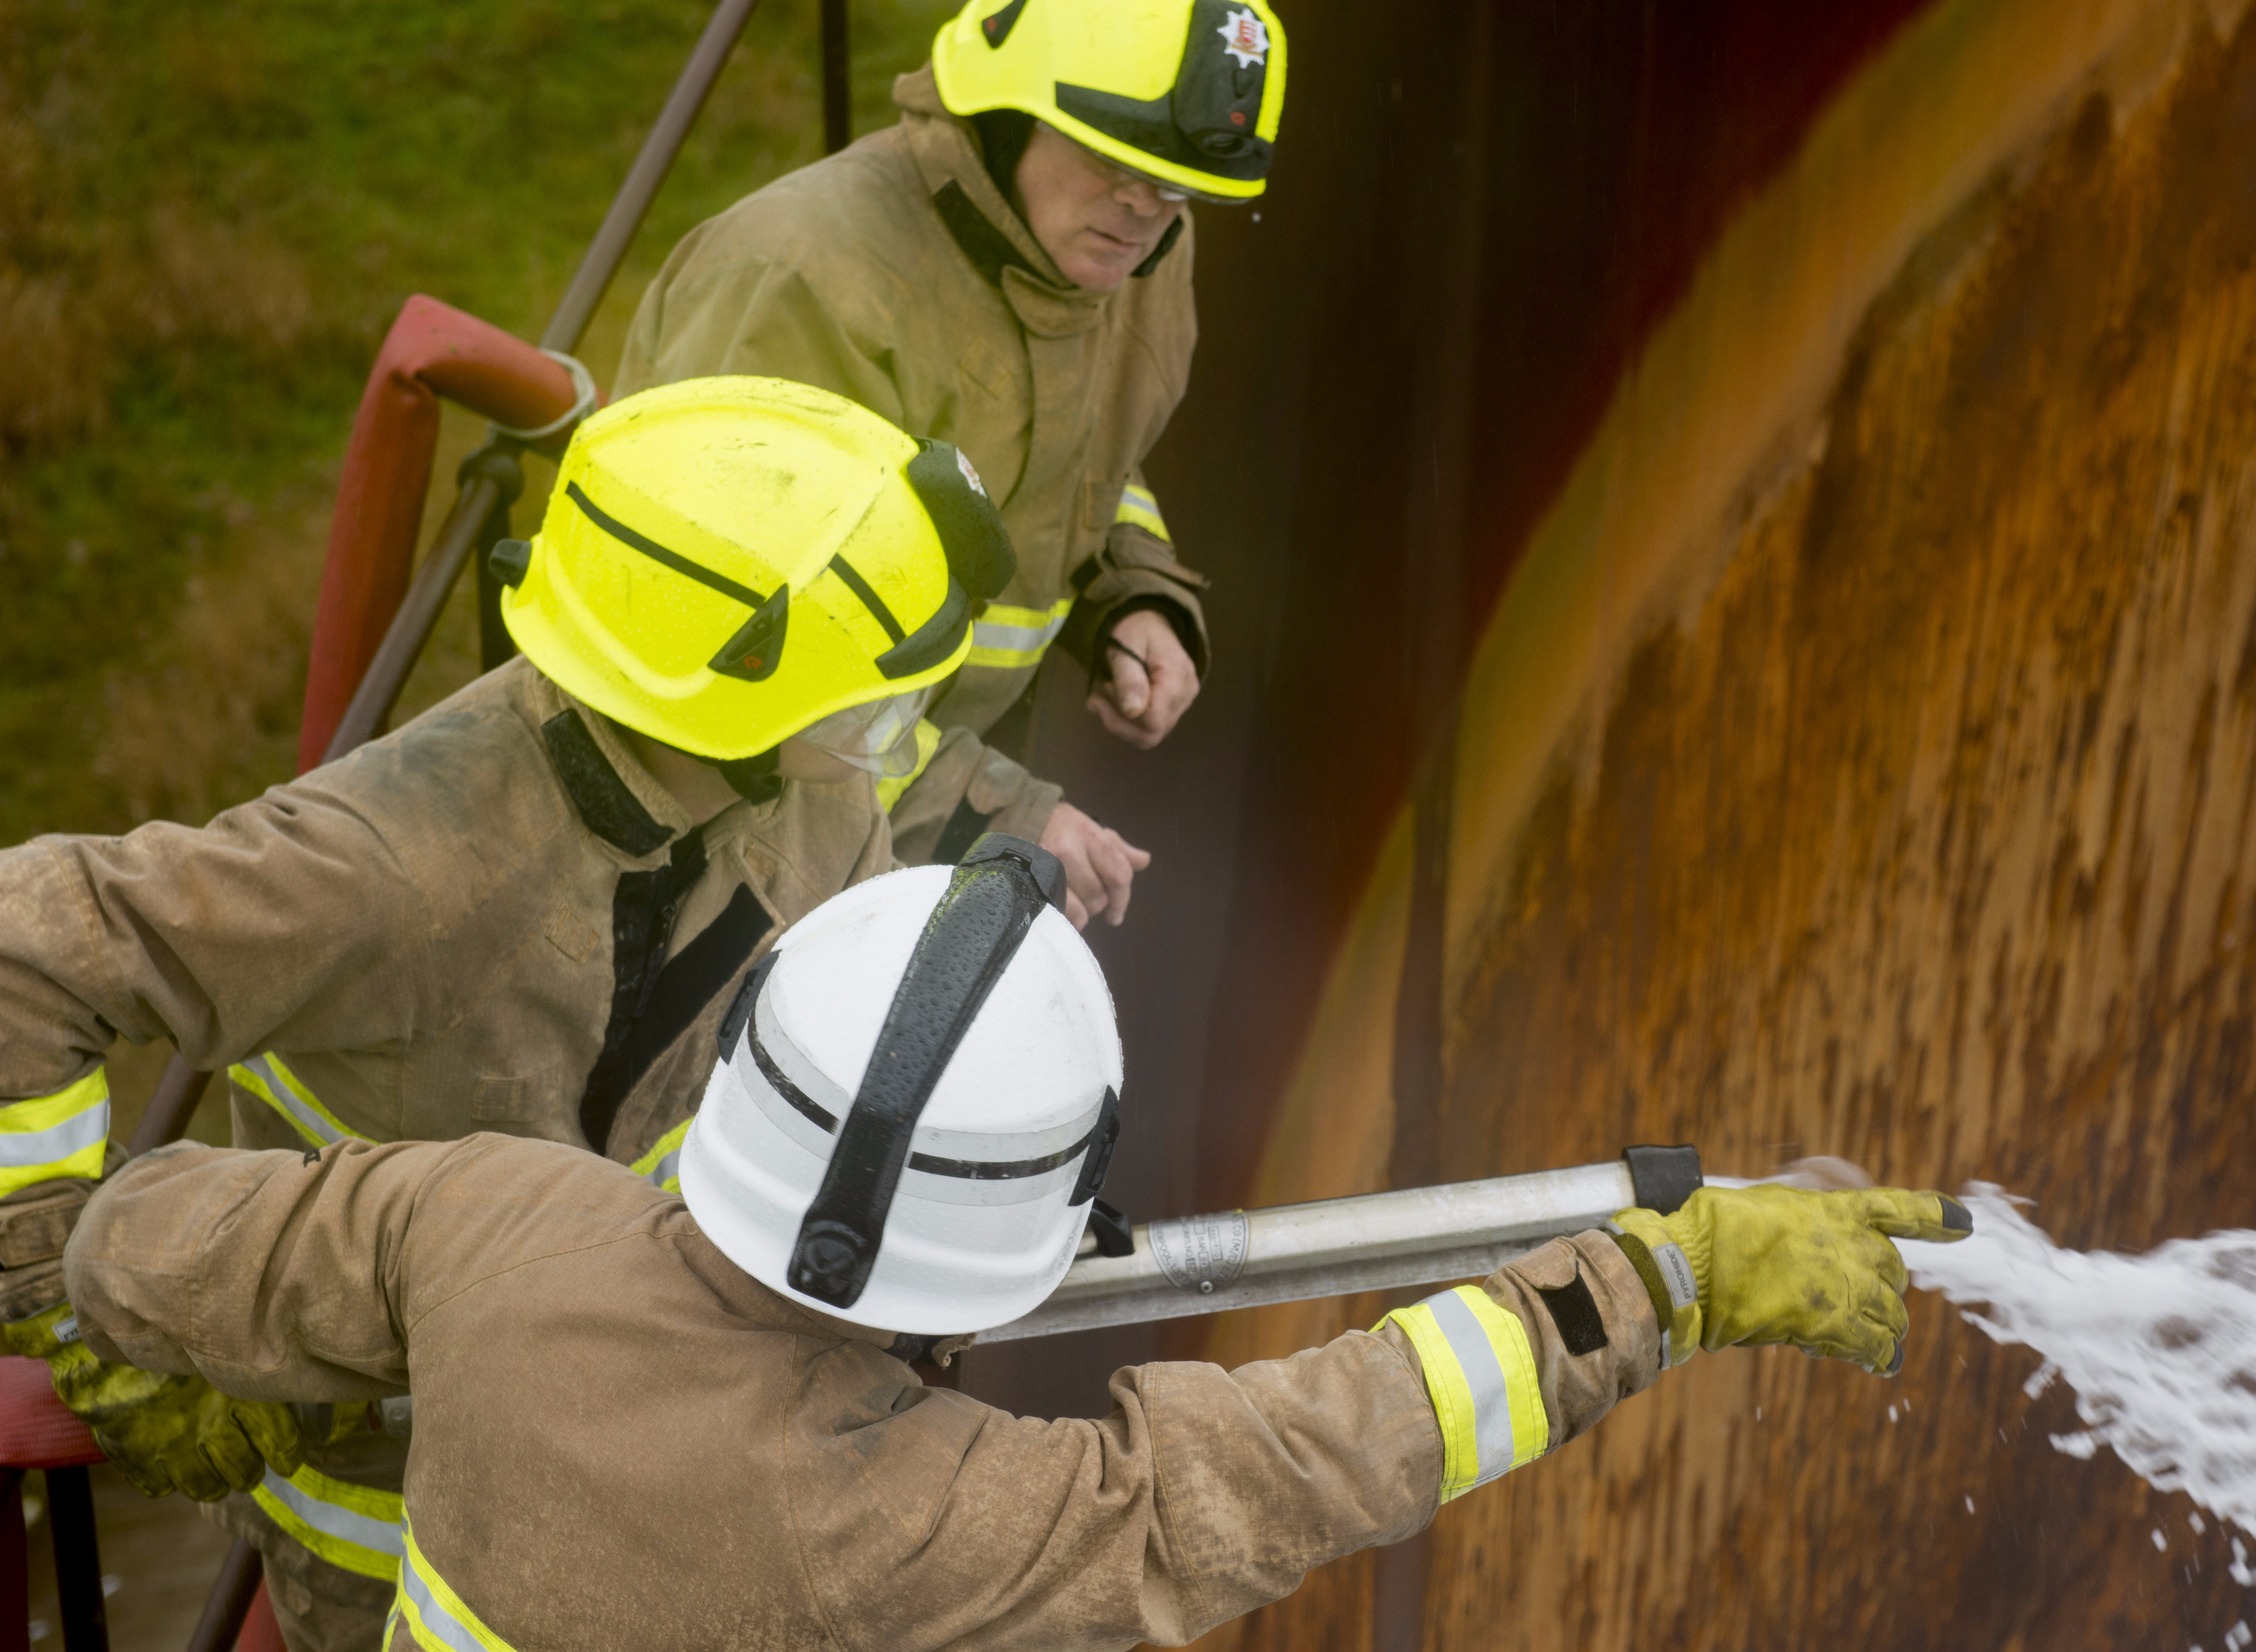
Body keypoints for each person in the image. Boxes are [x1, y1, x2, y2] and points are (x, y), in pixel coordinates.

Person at [12, 836, 1971, 1651]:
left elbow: (181, 1249)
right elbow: (1299, 1459)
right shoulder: (889, 1517)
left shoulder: (490, 1215)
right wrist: (1659, 1281)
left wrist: (66, 1265)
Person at [0, 374, 1021, 1652]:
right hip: (389, 1488)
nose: (894, 732)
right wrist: (62, 1288)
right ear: (725, 699)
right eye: (872, 702)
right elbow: (25, 949)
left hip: (638, 1410)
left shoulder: (800, 786)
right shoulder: (398, 865)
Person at [618, 0, 1292, 930]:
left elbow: (1091, 454)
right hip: (682, 834)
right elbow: (735, 651)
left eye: (1181, 185)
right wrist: (990, 810)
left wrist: (1126, 590)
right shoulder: (806, 286)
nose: (1144, 210)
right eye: (1110, 160)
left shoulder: (1134, 253)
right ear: (1003, 117)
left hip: (888, 809)